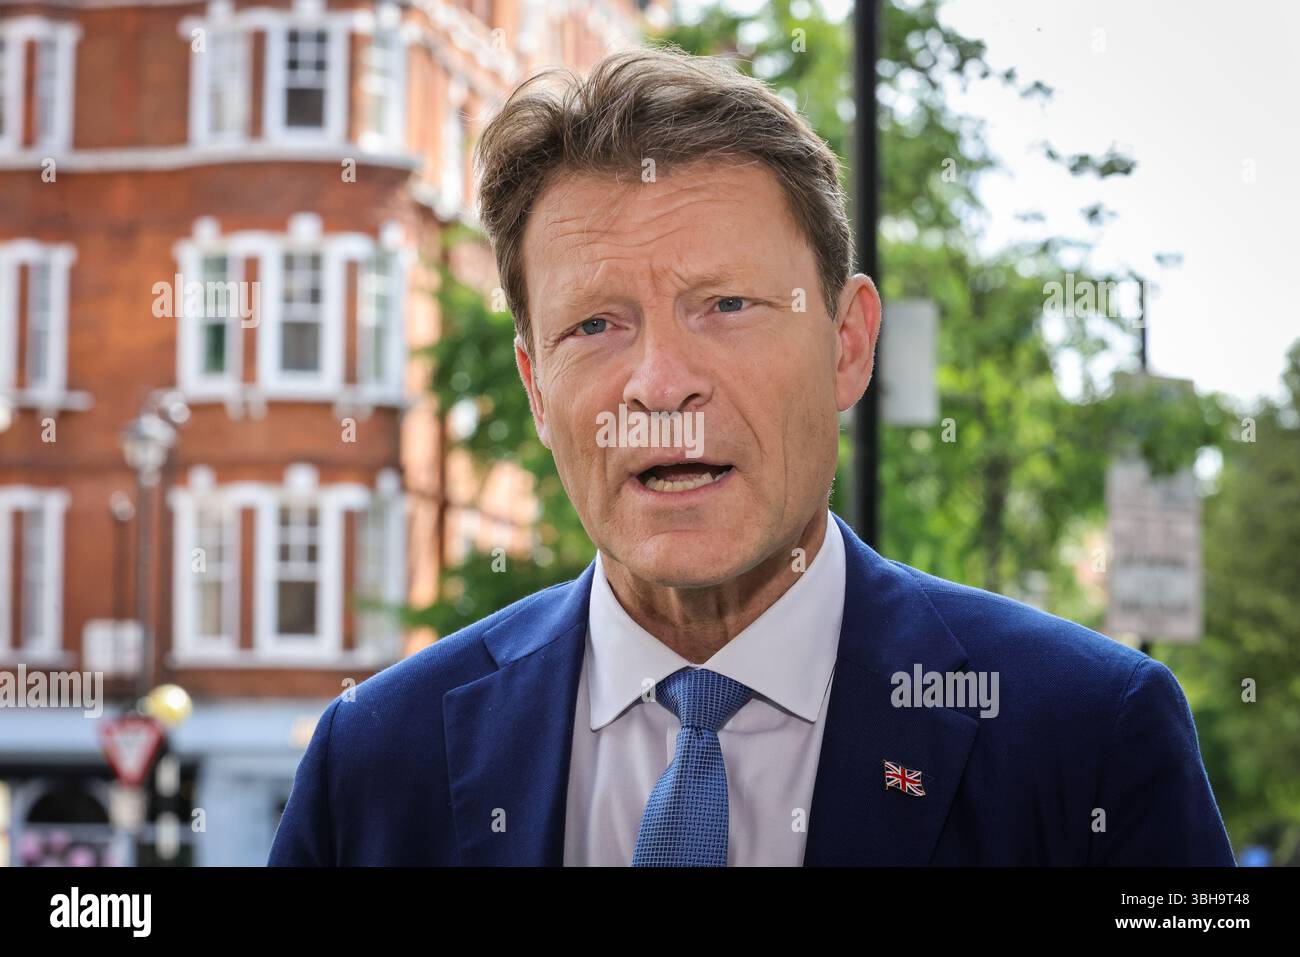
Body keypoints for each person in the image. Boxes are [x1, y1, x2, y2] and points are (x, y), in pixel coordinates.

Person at [268, 46, 1234, 867]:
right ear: (534, 387)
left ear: (848, 345)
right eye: (596, 325)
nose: (660, 382)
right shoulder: (374, 767)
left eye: (726, 305)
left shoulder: (1090, 737)